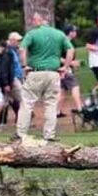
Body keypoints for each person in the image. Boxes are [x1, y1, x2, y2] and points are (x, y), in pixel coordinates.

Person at [17, 11, 75, 143]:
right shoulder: (59, 34)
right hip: (54, 73)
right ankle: (49, 135)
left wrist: (24, 65)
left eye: (34, 19)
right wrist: (65, 67)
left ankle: (21, 134)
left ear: (39, 20)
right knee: (51, 104)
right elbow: (71, 50)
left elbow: (22, 49)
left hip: (35, 72)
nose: (33, 22)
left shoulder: (32, 33)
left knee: (27, 103)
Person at [0, 32, 23, 128]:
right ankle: (23, 122)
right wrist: (6, 84)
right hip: (12, 80)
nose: (19, 42)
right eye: (17, 41)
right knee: (24, 100)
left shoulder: (12, 51)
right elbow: (4, 69)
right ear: (11, 40)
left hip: (13, 78)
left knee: (6, 100)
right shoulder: (8, 52)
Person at [56, 24, 83, 121]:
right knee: (75, 86)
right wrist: (71, 63)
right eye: (74, 31)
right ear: (70, 32)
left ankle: (57, 112)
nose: (76, 33)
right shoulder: (65, 43)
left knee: (62, 91)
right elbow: (58, 57)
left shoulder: (65, 42)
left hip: (61, 70)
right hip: (64, 69)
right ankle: (80, 108)